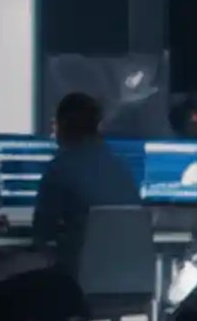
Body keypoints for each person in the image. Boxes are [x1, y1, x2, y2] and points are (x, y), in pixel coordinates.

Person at [31, 92, 142, 279]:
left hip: (78, 287)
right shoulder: (122, 167)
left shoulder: (60, 168)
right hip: (132, 282)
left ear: (63, 127)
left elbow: (41, 232)